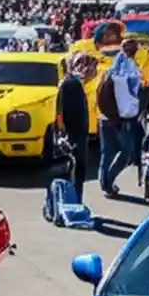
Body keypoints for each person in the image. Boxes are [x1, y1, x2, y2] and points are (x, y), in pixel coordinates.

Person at [97, 37, 142, 198]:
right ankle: (108, 181)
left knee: (107, 152)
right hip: (121, 119)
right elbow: (131, 95)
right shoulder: (128, 70)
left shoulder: (111, 69)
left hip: (105, 117)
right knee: (126, 152)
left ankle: (105, 184)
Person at [58, 52, 96, 199]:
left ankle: (75, 199)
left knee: (78, 171)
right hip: (74, 136)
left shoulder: (75, 83)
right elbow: (67, 113)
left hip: (77, 134)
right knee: (76, 170)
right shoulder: (71, 85)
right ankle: (74, 200)